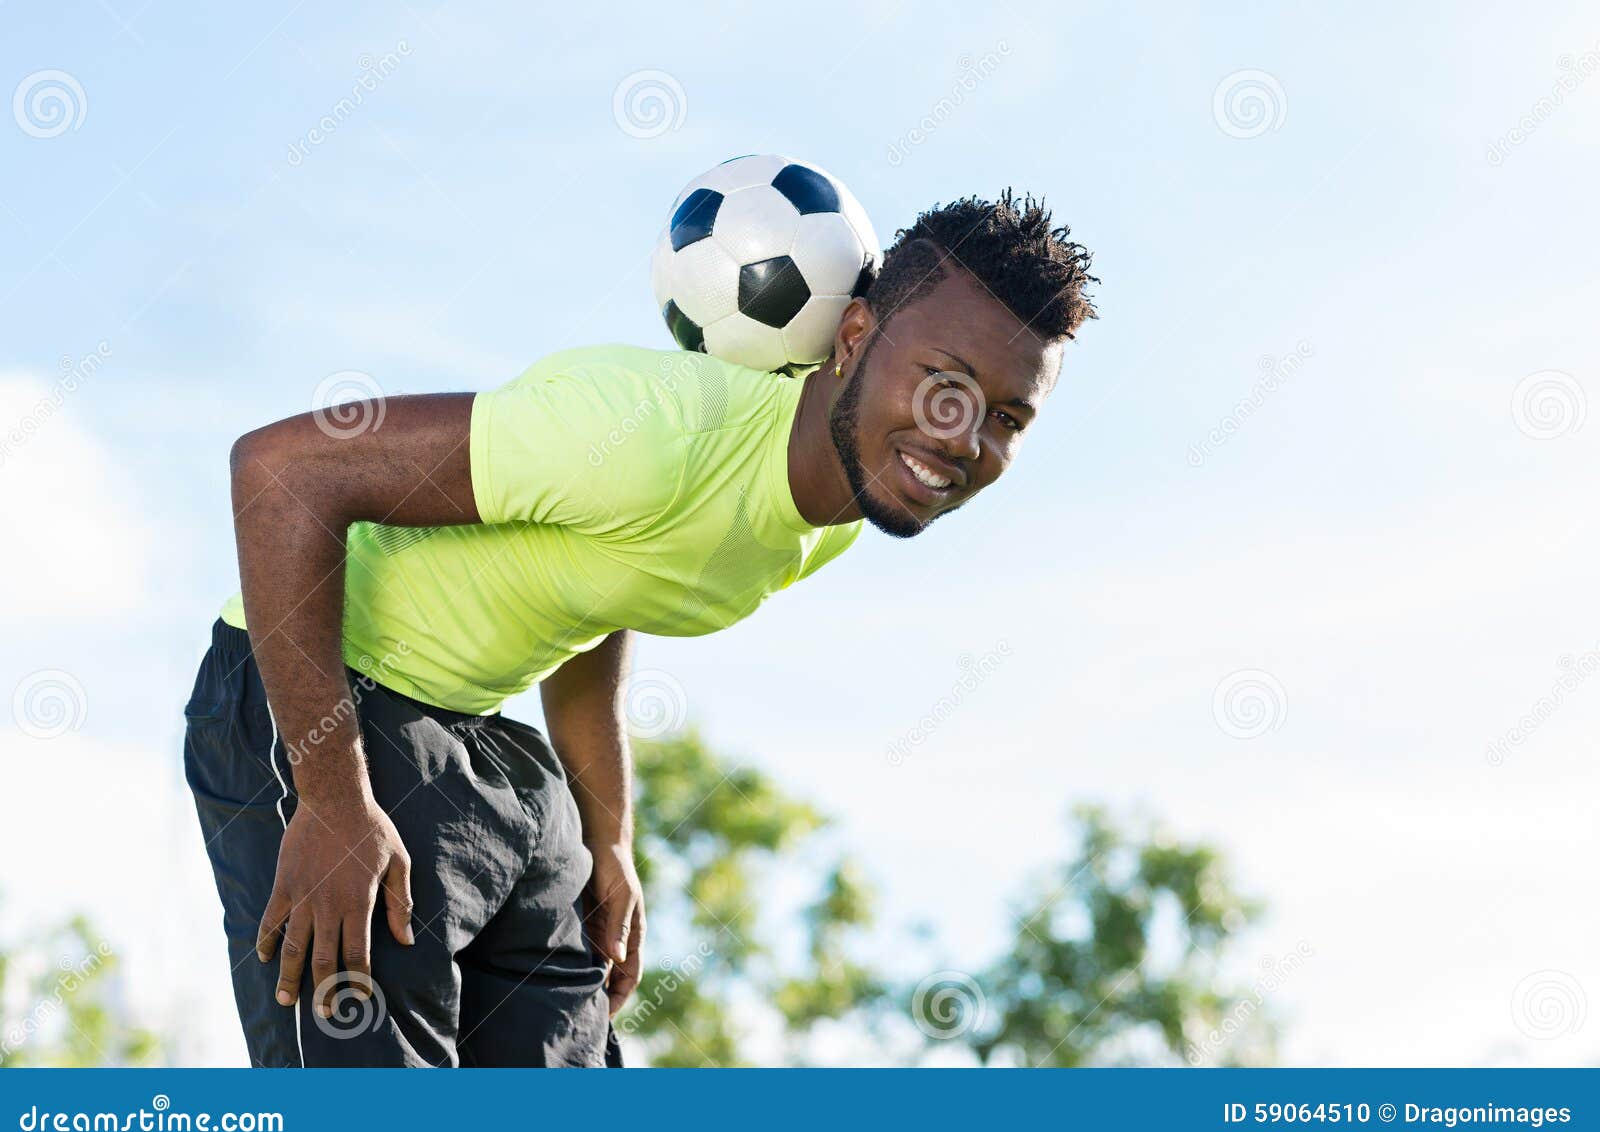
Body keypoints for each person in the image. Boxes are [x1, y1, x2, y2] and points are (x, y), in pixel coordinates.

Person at [183, 190, 1097, 1066]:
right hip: (316, 707)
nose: (961, 435)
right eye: (945, 381)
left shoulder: (843, 513)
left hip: (488, 751)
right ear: (853, 338)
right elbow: (282, 474)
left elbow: (609, 582)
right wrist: (333, 797)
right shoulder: (654, 434)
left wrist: (608, 833)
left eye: (1007, 417)